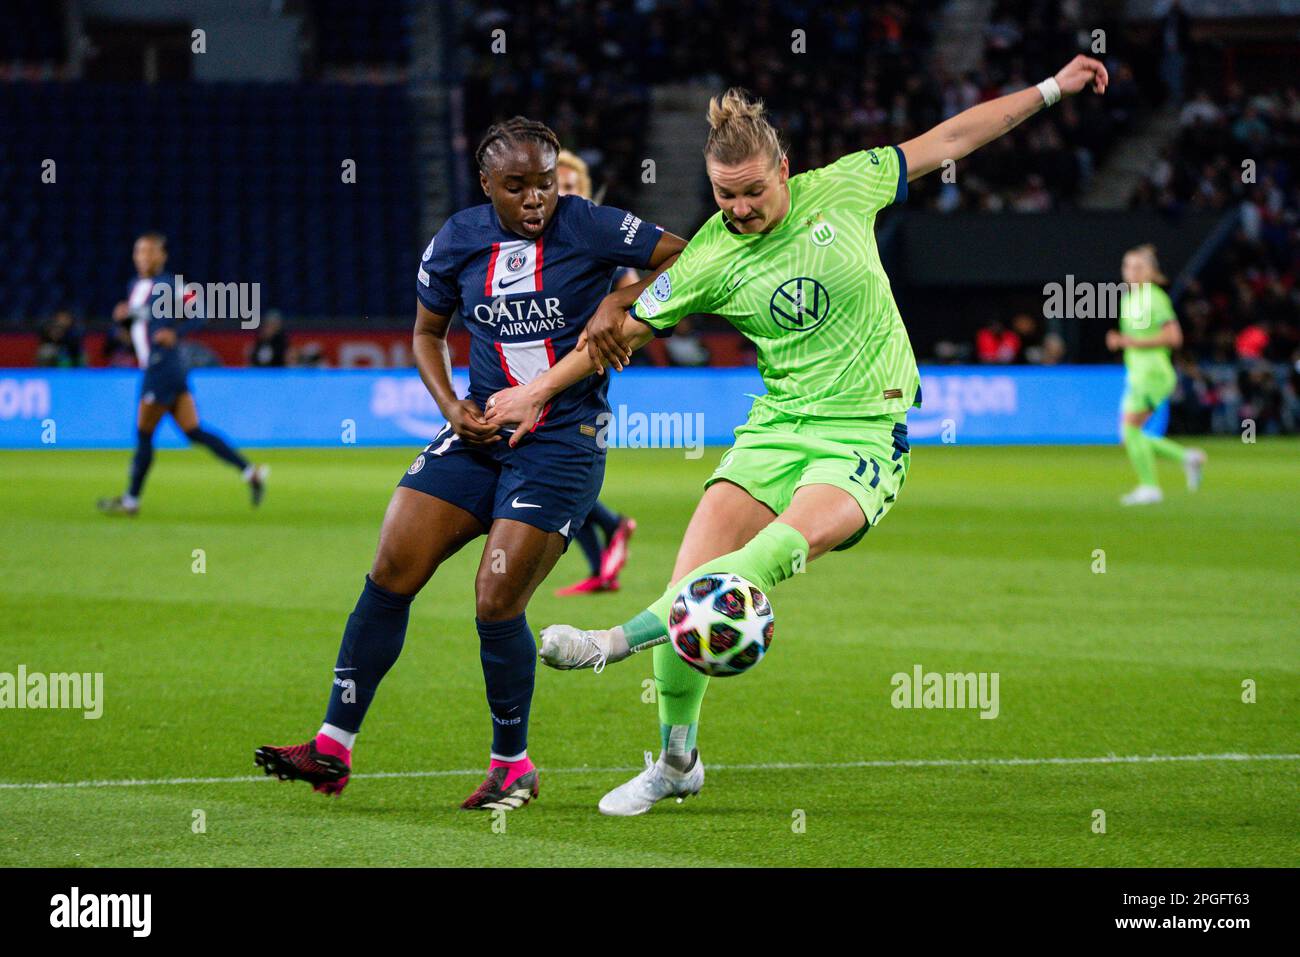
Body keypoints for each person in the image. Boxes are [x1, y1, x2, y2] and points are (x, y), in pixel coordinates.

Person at [486, 57, 1111, 816]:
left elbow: (953, 136)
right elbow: (613, 338)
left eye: (754, 190)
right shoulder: (711, 255)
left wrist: (1051, 89)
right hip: (775, 430)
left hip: (863, 434)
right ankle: (678, 761)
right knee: (696, 571)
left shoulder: (846, 186)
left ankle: (614, 641)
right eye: (726, 195)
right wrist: (538, 390)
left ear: (786, 169)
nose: (742, 207)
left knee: (754, 564)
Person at [255, 118, 687, 810]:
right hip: (478, 432)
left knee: (495, 598)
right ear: (486, 185)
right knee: (393, 564)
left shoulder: (592, 225)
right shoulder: (457, 240)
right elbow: (427, 331)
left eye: (544, 182)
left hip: (562, 441)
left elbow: (688, 259)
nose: (536, 198)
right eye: (516, 186)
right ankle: (333, 745)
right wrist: (451, 403)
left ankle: (512, 764)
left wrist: (619, 298)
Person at [97, 233, 267, 517]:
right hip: (165, 368)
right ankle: (250, 472)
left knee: (144, 434)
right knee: (194, 431)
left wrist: (176, 332)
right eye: (140, 252)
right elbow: (142, 327)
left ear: (163, 256)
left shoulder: (172, 285)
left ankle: (131, 500)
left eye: (151, 252)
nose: (145, 257)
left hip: (162, 366)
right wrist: (124, 320)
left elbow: (201, 311)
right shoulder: (136, 286)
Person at [552, 148, 638, 596]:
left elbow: (631, 292)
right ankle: (604, 556)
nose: (562, 192)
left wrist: (612, 312)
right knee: (560, 477)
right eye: (557, 184)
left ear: (583, 190)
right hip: (547, 368)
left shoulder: (601, 238)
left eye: (570, 186)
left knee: (564, 473)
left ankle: (612, 531)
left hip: (586, 368)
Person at [1105, 244, 1206, 505]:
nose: (1132, 272)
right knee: (1129, 434)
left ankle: (1150, 488)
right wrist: (1122, 341)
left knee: (1129, 431)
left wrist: (1130, 342)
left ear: (1150, 272)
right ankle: (1187, 458)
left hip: (1153, 373)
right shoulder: (1128, 299)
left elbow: (1174, 337)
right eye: (1128, 266)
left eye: (1138, 267)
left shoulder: (1154, 298)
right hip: (1137, 373)